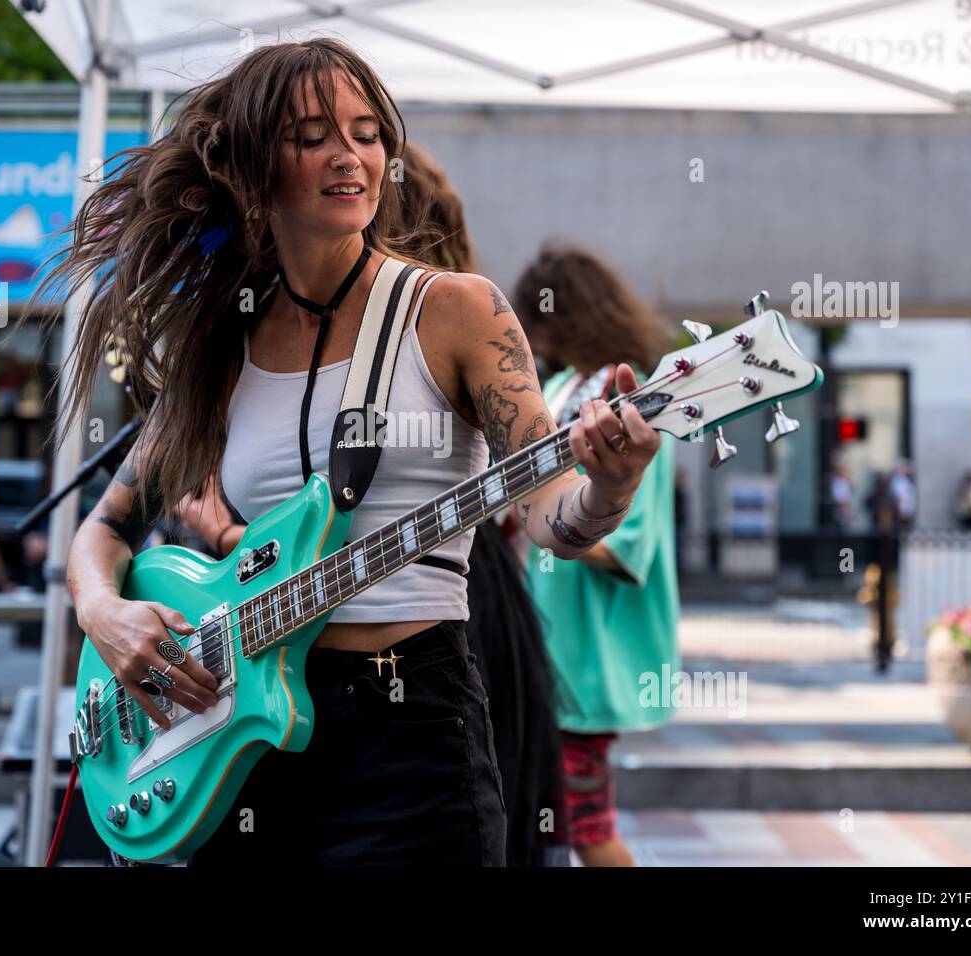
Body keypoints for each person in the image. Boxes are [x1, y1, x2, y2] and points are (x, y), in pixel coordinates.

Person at [33, 38, 660, 866]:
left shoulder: (458, 312)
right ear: (258, 165)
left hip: (412, 733)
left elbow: (549, 515)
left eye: (367, 133)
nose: (350, 157)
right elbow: (106, 527)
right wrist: (104, 615)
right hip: (244, 747)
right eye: (311, 136)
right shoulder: (223, 345)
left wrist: (607, 490)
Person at [512, 242, 680, 868]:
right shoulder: (557, 388)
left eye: (538, 317)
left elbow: (633, 542)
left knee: (586, 825)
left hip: (580, 658)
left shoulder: (633, 396)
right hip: (535, 645)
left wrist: (567, 526)